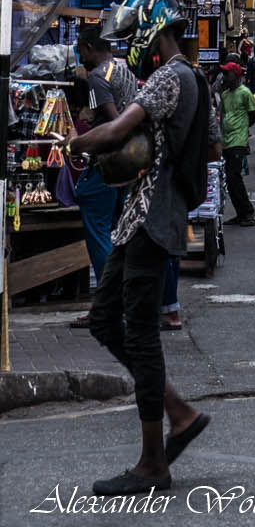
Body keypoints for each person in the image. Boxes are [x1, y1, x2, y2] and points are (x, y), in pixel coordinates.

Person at [67, 0, 214, 495]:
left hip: (153, 218)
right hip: (145, 216)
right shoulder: (195, 79)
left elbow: (115, 131)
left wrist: (77, 142)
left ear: (156, 27)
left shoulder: (172, 77)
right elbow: (210, 144)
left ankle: (154, 460)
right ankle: (179, 412)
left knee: (140, 335)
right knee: (107, 319)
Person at [70, 18, 138, 322]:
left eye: (80, 50)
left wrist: (83, 142)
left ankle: (108, 304)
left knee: (98, 231)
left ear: (88, 47)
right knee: (113, 231)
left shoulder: (98, 77)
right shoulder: (123, 69)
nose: (79, 57)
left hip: (108, 161)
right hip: (126, 162)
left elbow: (112, 122)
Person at [217, 64, 255, 227]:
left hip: (237, 140)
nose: (224, 77)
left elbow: (253, 115)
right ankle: (242, 212)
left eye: (227, 74)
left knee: (234, 176)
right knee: (230, 178)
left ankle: (247, 212)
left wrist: (242, 130)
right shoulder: (225, 94)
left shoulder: (245, 93)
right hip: (226, 140)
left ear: (236, 75)